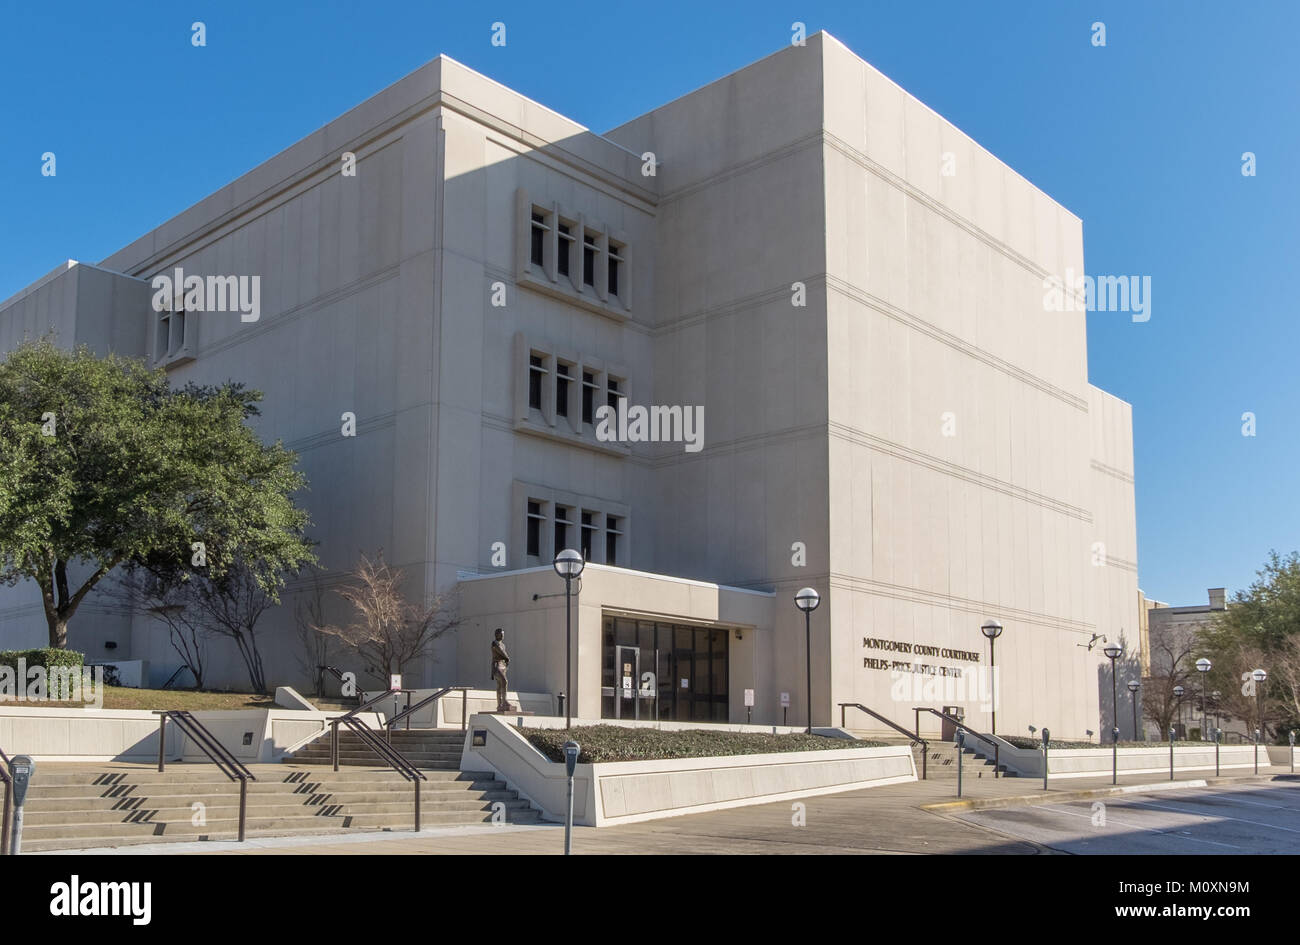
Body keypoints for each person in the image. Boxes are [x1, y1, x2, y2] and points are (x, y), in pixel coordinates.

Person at [491, 627, 515, 712]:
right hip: (497, 665)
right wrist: (507, 657)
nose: (502, 636)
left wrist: (506, 661)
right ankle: (504, 701)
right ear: (496, 634)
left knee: (500, 685)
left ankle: (499, 704)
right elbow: (500, 651)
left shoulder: (503, 645)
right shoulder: (494, 643)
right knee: (504, 681)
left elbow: (504, 652)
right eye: (500, 634)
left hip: (503, 666)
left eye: (503, 634)